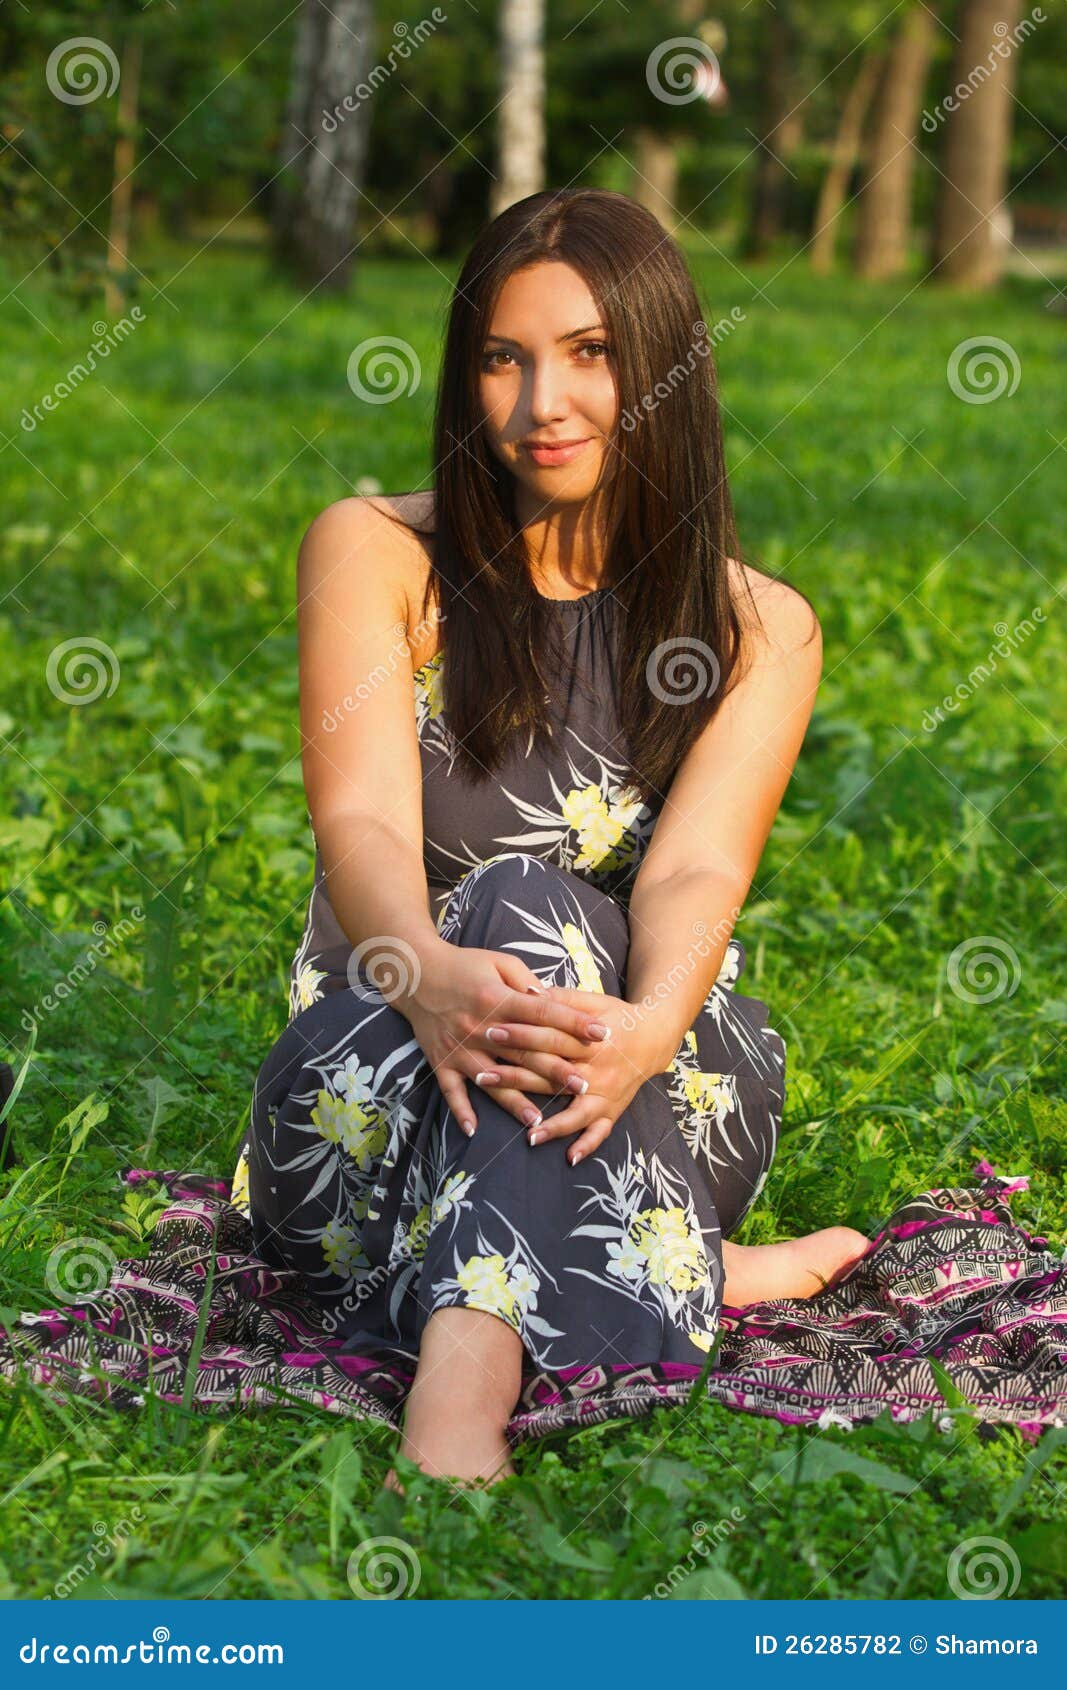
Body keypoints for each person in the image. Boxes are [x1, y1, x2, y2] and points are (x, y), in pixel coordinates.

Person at [230, 188, 869, 1492]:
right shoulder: (376, 557)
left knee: (545, 901)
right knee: (518, 896)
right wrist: (423, 967)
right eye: (503, 357)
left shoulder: (761, 632)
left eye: (589, 353)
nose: (542, 402)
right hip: (385, 1077)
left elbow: (697, 870)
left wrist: (642, 1026)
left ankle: (469, 1350)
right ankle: (667, 1267)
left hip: (651, 1069)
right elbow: (357, 821)